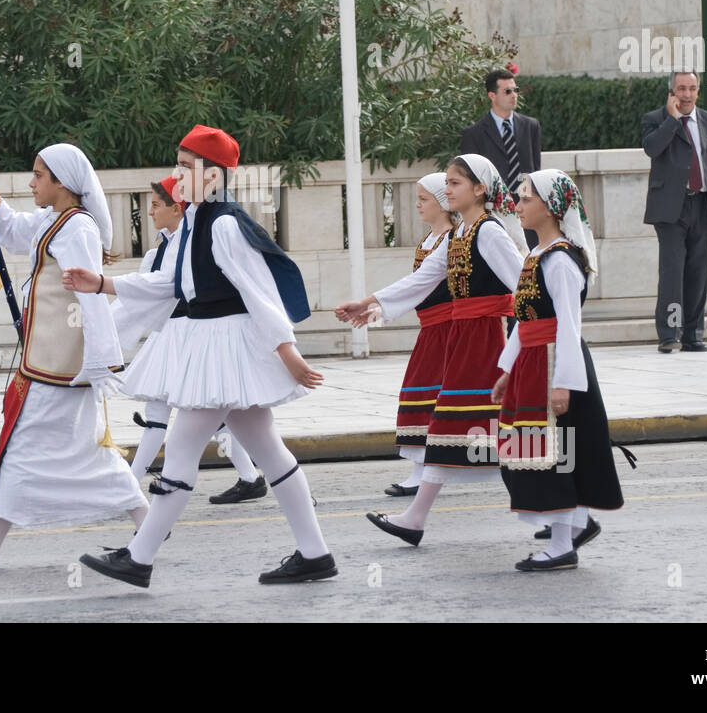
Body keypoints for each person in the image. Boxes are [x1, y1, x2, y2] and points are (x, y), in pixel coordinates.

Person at [67, 125, 336, 587]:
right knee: (269, 452)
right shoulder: (193, 221)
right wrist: (104, 284)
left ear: (213, 177)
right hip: (215, 344)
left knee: (185, 447)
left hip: (226, 347)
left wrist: (286, 351)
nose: (178, 173)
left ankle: (140, 556)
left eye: (187, 166)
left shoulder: (224, 222)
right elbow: (168, 283)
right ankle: (315, 553)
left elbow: (259, 291)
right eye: (179, 163)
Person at [0, 145, 147, 570]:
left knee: (26, 447)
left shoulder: (77, 229)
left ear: (62, 183)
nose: (31, 183)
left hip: (61, 366)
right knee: (77, 452)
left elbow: (90, 297)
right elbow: (10, 230)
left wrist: (99, 360)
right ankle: (148, 523)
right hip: (49, 361)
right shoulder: (55, 220)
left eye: (38, 176)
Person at [351, 155, 526, 547]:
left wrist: (527, 343)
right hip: (466, 339)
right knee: (475, 431)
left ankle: (564, 510)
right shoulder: (459, 234)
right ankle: (558, 510)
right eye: (445, 183)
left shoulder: (488, 233)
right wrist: (370, 302)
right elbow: (423, 279)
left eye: (455, 183)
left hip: (486, 339)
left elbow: (523, 284)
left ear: (480, 189)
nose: (446, 189)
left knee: (482, 429)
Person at [492, 169, 625, 571]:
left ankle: (563, 543)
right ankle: (570, 525)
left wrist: (564, 383)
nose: (519, 205)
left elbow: (568, 325)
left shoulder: (562, 261)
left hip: (553, 363)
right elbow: (524, 319)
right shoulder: (535, 255)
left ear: (551, 208)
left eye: (527, 198)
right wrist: (507, 369)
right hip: (533, 362)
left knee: (556, 452)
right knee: (532, 450)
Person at [121, 176, 266, 504]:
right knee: (201, 412)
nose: (151, 212)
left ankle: (131, 489)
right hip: (173, 338)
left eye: (157, 205)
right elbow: (140, 303)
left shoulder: (195, 244)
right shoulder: (158, 251)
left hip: (193, 338)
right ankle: (252, 476)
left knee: (217, 411)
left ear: (177, 208)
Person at [334, 172, 456, 498]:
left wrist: (372, 303)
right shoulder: (429, 241)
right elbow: (417, 290)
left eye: (423, 199)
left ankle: (435, 470)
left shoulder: (452, 239)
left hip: (450, 331)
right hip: (431, 330)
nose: (417, 205)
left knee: (439, 399)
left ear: (443, 203)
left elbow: (420, 285)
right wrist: (380, 311)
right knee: (421, 397)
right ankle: (423, 470)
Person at [641, 70, 707, 353]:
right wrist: (673, 120)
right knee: (672, 271)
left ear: (698, 91)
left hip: (704, 204)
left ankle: (693, 335)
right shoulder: (655, 119)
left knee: (697, 273)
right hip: (671, 208)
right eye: (681, 89)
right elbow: (652, 148)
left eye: (692, 88)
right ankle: (670, 332)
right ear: (671, 92)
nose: (687, 94)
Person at [460, 66, 542, 248]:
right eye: (507, 91)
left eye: (515, 90)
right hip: (493, 213)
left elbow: (534, 170)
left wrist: (529, 202)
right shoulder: (474, 134)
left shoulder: (531, 126)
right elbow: (470, 179)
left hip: (526, 209)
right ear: (492, 96)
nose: (514, 95)